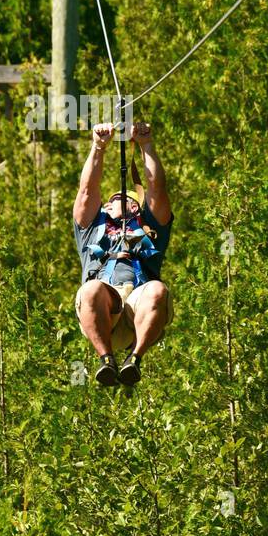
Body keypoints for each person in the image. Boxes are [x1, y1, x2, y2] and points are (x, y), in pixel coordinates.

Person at [73, 121, 174, 388]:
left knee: (158, 290)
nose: (129, 204)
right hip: (104, 310)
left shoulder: (150, 228)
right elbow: (86, 192)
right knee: (91, 289)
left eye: (133, 202)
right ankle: (106, 360)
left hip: (140, 311)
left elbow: (157, 190)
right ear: (107, 206)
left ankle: (134, 359)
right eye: (121, 199)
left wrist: (146, 145)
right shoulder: (92, 228)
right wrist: (98, 148)